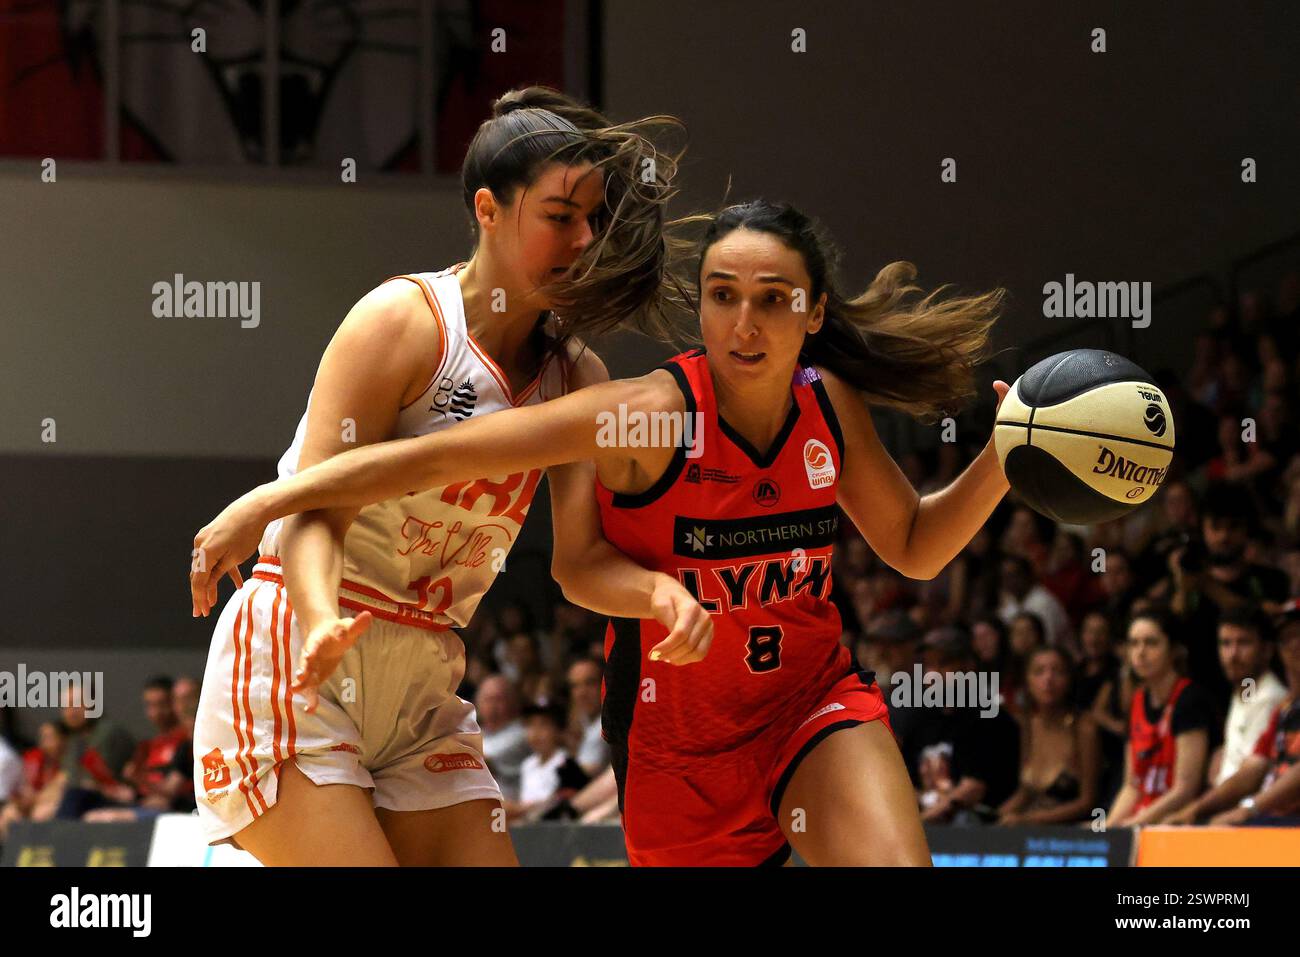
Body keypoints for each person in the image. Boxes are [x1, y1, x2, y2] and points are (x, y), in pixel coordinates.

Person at [192, 198, 1010, 865]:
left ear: (815, 309)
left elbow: (914, 542)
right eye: (723, 295)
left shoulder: (830, 404)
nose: (745, 323)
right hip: (677, 744)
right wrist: (265, 503)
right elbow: (441, 458)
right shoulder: (646, 416)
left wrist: (1005, 456)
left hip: (809, 703)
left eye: (774, 299)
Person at [185, 86, 701, 866]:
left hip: (426, 672)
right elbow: (316, 511)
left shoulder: (575, 375)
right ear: (489, 210)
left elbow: (578, 562)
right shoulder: (402, 321)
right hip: (302, 645)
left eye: (594, 218)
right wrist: (322, 618)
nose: (585, 237)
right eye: (561, 216)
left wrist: (658, 594)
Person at [1168, 599, 1300, 825]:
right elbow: (1254, 766)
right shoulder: (1284, 707)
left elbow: (1252, 781)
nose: (1296, 645)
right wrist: (1195, 810)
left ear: (1266, 651)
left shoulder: (1269, 697)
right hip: (1270, 820)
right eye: (1287, 638)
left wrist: (1248, 808)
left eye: (1243, 643)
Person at [1107, 610, 1213, 827]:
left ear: (1173, 650)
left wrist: (1134, 826)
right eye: (1134, 644)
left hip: (1176, 824)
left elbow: (1185, 790)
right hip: (1140, 821)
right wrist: (1110, 829)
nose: (1140, 652)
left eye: (1151, 643)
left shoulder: (1189, 700)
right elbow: (1132, 786)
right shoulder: (1136, 701)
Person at [997, 647, 1100, 825]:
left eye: (1057, 671)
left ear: (1069, 679)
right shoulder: (1028, 725)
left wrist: (1027, 820)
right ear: (1027, 681)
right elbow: (1025, 792)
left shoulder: (1084, 728)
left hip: (1071, 833)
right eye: (1039, 672)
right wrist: (994, 818)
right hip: (1027, 826)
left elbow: (1087, 802)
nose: (1048, 679)